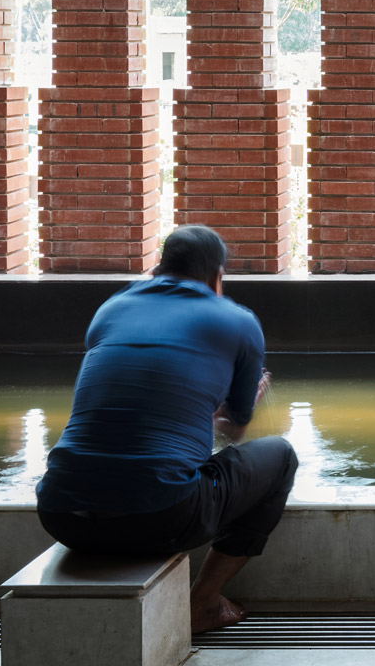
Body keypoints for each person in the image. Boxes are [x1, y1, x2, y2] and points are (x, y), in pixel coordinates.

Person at [37, 224, 299, 631]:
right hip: (162, 519)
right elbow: (236, 429)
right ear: (218, 276)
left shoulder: (111, 309)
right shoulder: (237, 320)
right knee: (281, 457)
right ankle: (203, 603)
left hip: (62, 515)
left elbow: (129, 402)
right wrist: (233, 407)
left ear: (157, 268)